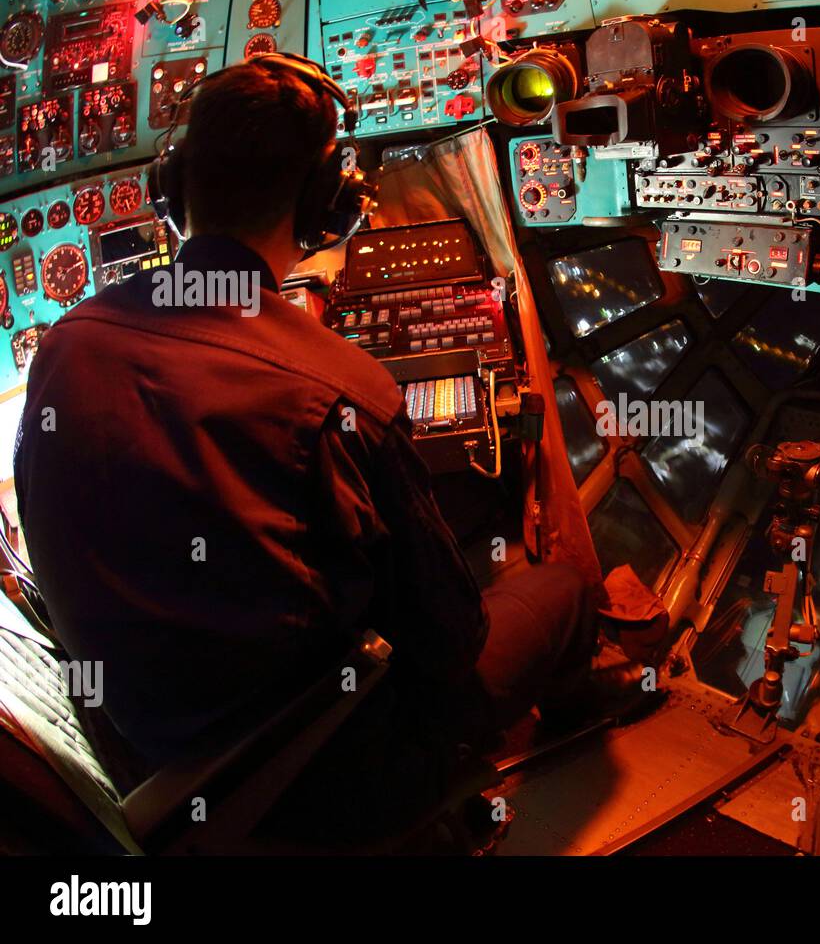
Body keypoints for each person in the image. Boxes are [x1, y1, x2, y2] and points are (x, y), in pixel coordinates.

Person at [14, 56, 644, 848]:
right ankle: (542, 739)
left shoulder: (68, 344)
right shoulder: (343, 388)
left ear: (173, 191)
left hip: (148, 744)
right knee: (555, 590)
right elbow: (451, 638)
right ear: (328, 205)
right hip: (313, 772)